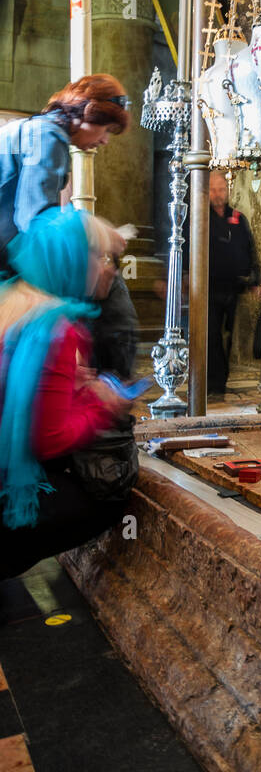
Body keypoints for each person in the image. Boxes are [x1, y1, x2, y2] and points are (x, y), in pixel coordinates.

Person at [0, 207, 132, 580]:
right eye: (97, 257)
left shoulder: (11, 299)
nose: (106, 268)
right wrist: (102, 406)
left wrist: (71, 390)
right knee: (108, 501)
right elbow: (49, 439)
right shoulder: (55, 328)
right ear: (70, 261)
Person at [0, 75, 131, 272]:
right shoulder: (48, 136)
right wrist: (96, 233)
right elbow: (34, 221)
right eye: (107, 129)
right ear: (90, 114)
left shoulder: (40, 130)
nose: (105, 140)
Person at [205, 171, 261, 400]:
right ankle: (212, 382)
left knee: (228, 336)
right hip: (208, 287)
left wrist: (255, 281)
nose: (218, 194)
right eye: (213, 190)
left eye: (221, 189)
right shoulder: (201, 218)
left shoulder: (238, 218)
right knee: (211, 335)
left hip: (233, 288)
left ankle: (221, 380)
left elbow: (250, 249)